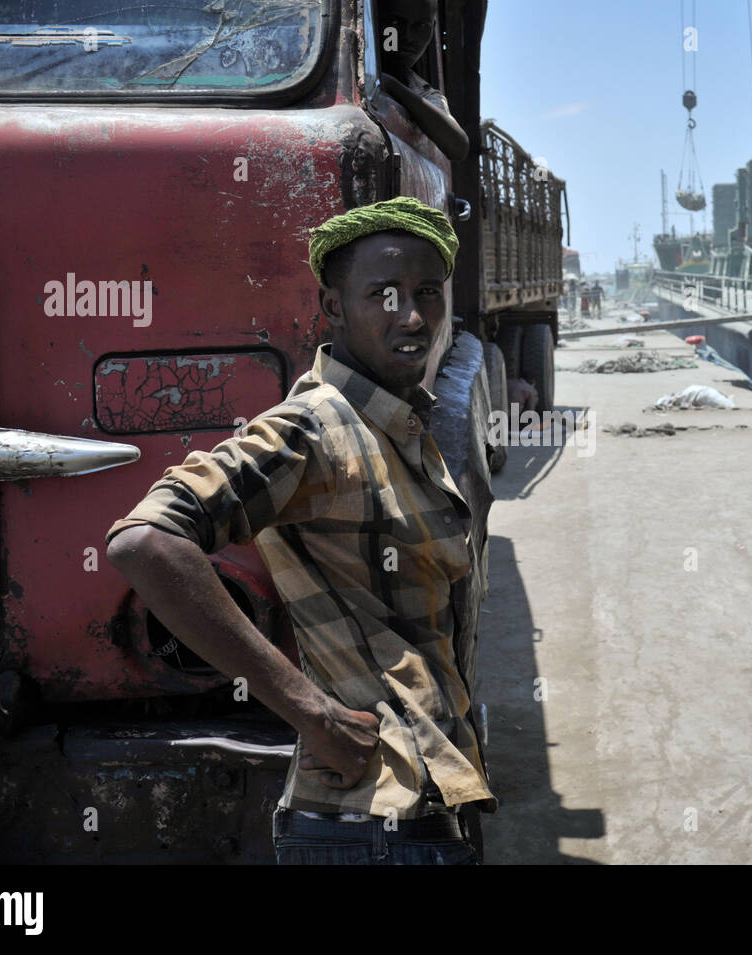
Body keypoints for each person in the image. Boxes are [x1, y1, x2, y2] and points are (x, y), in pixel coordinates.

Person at [105, 197, 495, 865]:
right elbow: (145, 542)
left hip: (418, 811)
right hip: (368, 832)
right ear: (335, 307)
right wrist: (308, 711)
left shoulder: (397, 424)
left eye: (428, 292)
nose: (412, 315)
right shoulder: (314, 427)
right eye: (383, 294)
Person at [377, 0, 469, 161]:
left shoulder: (418, 88)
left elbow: (458, 146)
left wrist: (393, 86)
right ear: (377, 20)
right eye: (395, 22)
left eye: (421, 26)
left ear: (433, 29)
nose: (408, 36)